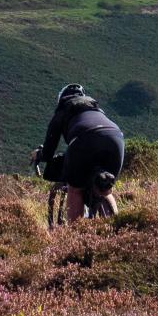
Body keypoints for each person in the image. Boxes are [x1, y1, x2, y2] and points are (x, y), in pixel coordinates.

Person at [34, 83, 124, 220]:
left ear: (61, 100)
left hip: (84, 140)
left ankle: (76, 231)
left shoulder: (62, 111)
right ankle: (116, 226)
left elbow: (48, 151)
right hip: (116, 138)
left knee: (75, 189)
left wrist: (39, 155)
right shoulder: (97, 109)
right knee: (105, 187)